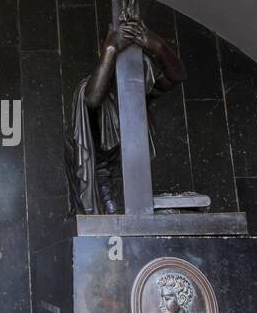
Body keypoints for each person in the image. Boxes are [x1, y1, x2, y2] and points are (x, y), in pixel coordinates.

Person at [66, 14, 183, 214]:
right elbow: (93, 98)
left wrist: (157, 45)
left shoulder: (136, 96)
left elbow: (176, 77)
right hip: (100, 185)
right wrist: (111, 47)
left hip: (130, 180)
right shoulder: (87, 90)